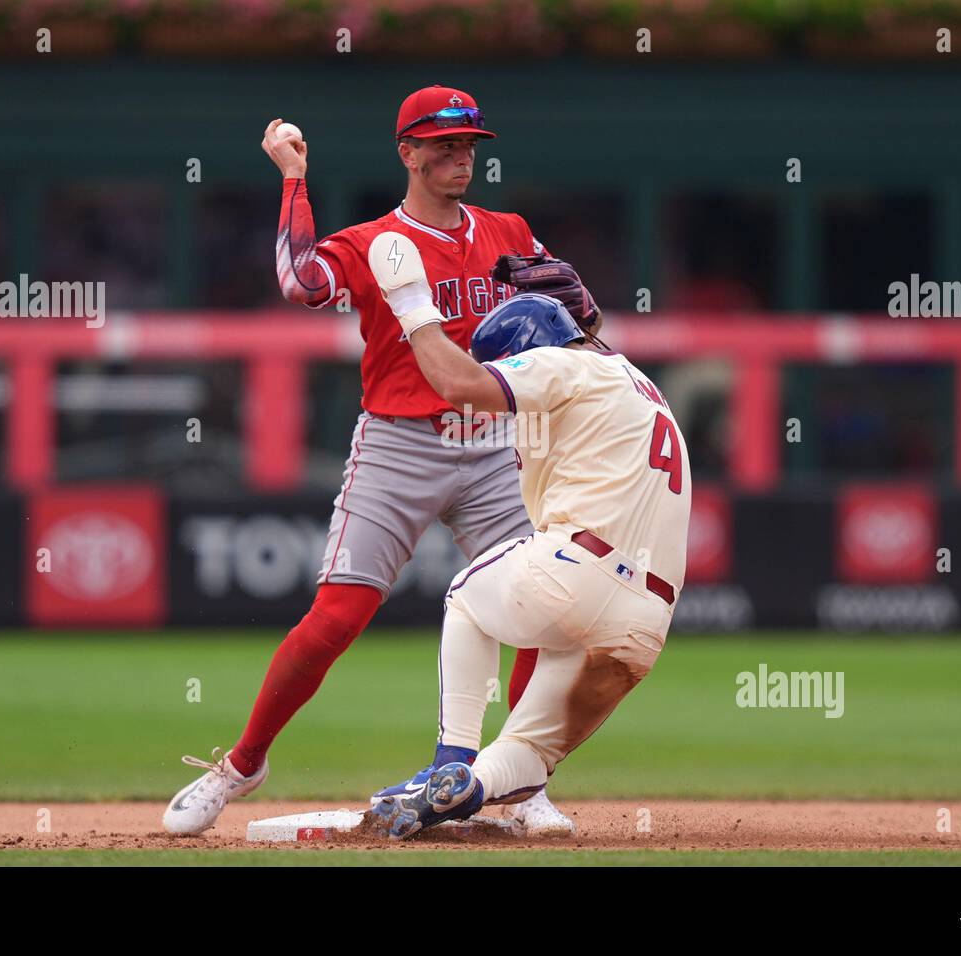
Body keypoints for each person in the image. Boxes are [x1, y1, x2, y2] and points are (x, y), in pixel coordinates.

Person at [163, 85, 600, 837]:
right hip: (400, 444)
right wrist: (293, 178)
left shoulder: (508, 230)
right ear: (408, 151)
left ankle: (522, 787)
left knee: (542, 615)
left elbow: (565, 323)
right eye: (442, 145)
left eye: (468, 146)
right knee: (336, 618)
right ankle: (242, 764)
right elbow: (300, 282)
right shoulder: (373, 240)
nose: (459, 157)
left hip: (496, 445)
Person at [360, 236, 690, 839]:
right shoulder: (638, 384)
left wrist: (412, 306)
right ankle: (466, 789)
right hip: (644, 624)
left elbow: (459, 384)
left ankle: (449, 759)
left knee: (464, 596)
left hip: (579, 568)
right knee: (529, 756)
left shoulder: (558, 363)